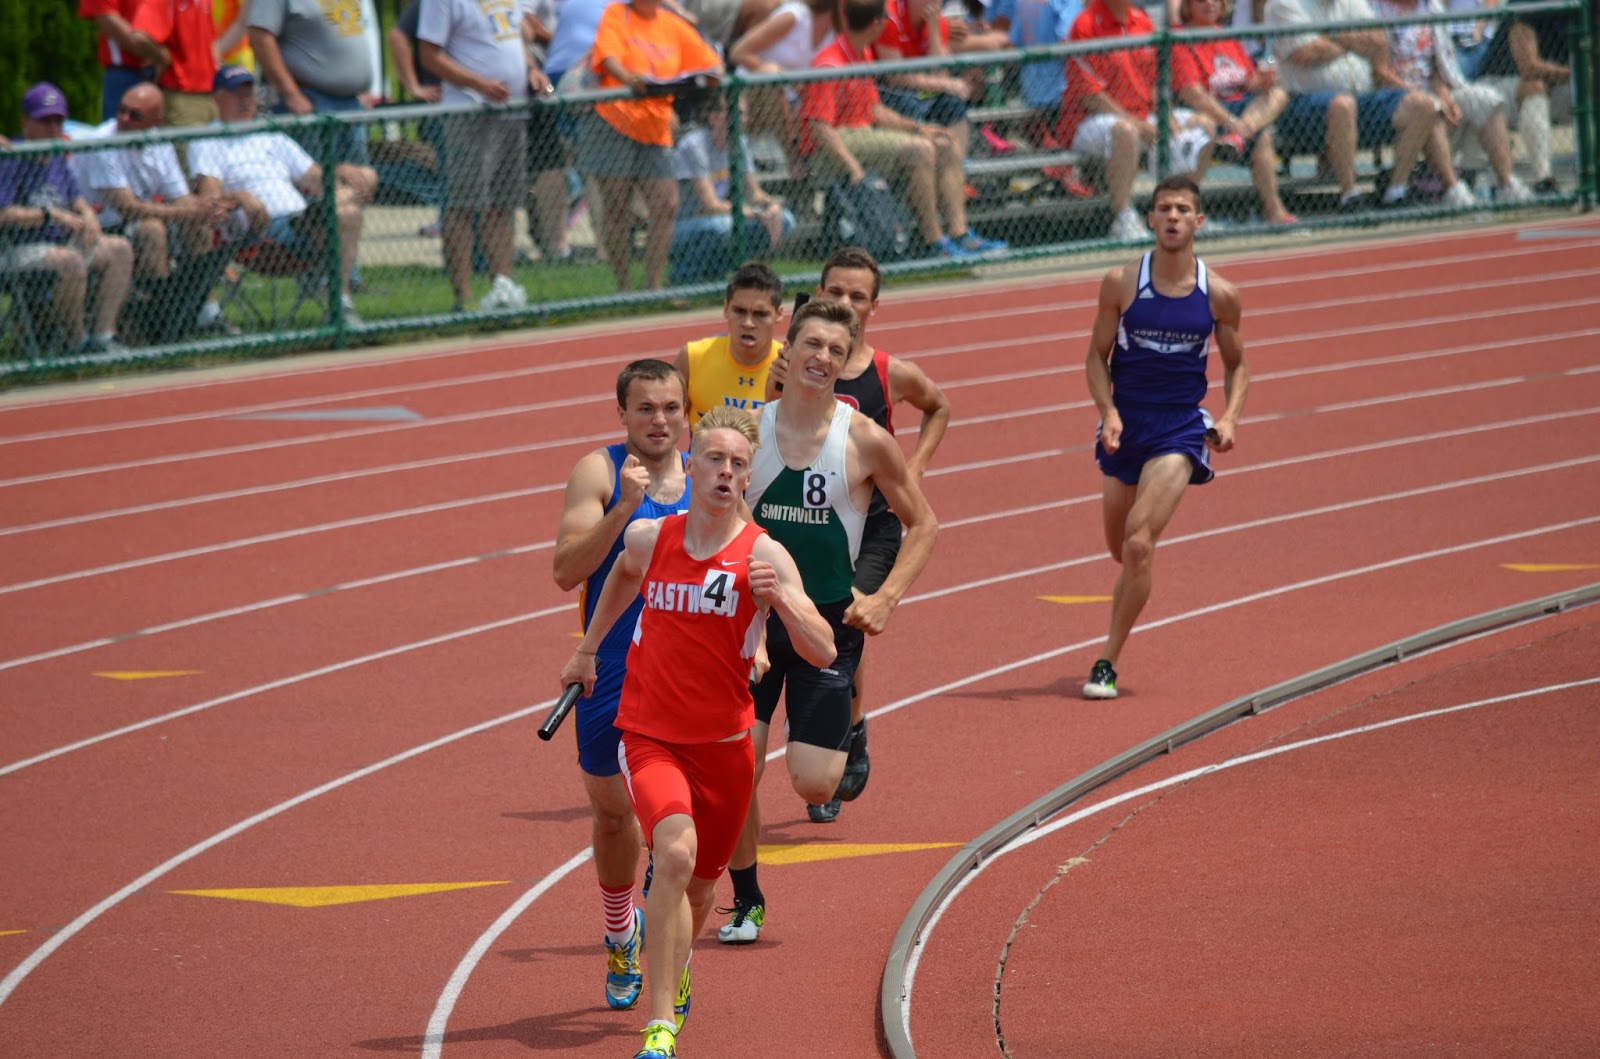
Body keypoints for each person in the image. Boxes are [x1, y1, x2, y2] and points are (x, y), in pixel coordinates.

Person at [558, 405, 834, 1059]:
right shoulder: (655, 538)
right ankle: (660, 1028)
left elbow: (823, 650)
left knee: (704, 884)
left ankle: (677, 968)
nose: (725, 471)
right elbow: (622, 574)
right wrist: (589, 649)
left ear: (748, 478)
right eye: (714, 458)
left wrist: (787, 602)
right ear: (692, 462)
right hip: (649, 731)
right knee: (673, 856)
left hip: (725, 746)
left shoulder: (763, 554)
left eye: (739, 463)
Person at [719, 298, 938, 942]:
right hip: (749, 625)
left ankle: (851, 726)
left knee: (816, 782)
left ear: (846, 364)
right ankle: (747, 897)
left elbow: (923, 523)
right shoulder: (743, 431)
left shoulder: (865, 437)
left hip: (824, 629)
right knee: (738, 768)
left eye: (836, 351)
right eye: (812, 343)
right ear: (789, 347)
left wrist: (886, 596)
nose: (822, 358)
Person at [767, 246, 951, 823]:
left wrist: (913, 468)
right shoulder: (774, 391)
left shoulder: (882, 382)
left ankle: (845, 717)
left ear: (874, 306)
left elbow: (938, 410)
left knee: (849, 617)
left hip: (867, 523)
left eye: (856, 298)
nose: (844, 303)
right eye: (835, 293)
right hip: (784, 555)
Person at [551, 358, 693, 1015]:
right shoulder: (600, 472)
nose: (659, 420)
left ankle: (672, 963)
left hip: (691, 673)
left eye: (670, 407)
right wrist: (625, 510)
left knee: (679, 827)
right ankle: (619, 932)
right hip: (611, 668)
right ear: (624, 415)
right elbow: (565, 569)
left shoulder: (711, 474)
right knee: (614, 815)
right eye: (645, 409)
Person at [1081, 174, 1247, 700]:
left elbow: (1239, 367)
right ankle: (1132, 581)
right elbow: (1095, 358)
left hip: (1179, 428)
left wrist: (1230, 418)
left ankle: (1106, 661)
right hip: (1125, 426)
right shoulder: (1122, 283)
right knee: (1118, 548)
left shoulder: (1219, 295)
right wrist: (1107, 412)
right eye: (1163, 208)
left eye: (1183, 209)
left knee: (1137, 545)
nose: (1172, 216)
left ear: (1199, 221)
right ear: (1150, 219)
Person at [798, 0, 1006, 260]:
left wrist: (920, 128)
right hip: (832, 149)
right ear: (876, 24)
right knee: (918, 151)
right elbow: (820, 127)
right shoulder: (830, 62)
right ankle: (934, 243)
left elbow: (875, 111)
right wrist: (853, 168)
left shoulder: (861, 54)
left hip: (862, 134)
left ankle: (960, 234)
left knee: (946, 143)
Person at [189, 64, 367, 324]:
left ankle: (340, 305)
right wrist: (240, 197)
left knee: (355, 193)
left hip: (301, 226)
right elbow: (209, 199)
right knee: (344, 211)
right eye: (237, 94)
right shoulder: (208, 139)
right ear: (217, 98)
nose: (245, 101)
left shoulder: (270, 133)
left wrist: (343, 171)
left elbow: (315, 177)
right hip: (260, 235)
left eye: (249, 94)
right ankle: (338, 301)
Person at [579, 0, 724, 292]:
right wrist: (631, 80)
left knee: (666, 204)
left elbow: (712, 64)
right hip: (615, 117)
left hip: (656, 123)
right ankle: (624, 288)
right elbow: (608, 58)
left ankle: (653, 285)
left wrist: (707, 77)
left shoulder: (672, 24)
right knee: (616, 205)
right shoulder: (617, 14)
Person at [418, 0, 544, 313]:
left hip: (512, 112)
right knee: (463, 205)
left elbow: (514, 38)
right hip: (469, 111)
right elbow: (429, 56)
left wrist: (531, 70)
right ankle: (464, 296)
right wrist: (479, 83)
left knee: (503, 203)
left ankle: (503, 286)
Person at [1058, 0, 1216, 242]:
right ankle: (1123, 217)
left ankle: (1183, 208)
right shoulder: (1085, 25)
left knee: (1205, 125)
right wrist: (1140, 125)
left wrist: (1167, 115)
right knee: (1125, 131)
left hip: (1143, 115)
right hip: (1090, 121)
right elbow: (1090, 96)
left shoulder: (1141, 20)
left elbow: (1154, 79)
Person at [1264, 0, 1445, 210]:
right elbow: (1307, 53)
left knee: (1421, 104)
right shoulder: (1284, 4)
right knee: (1343, 104)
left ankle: (1396, 191)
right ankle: (1350, 195)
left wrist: (1331, 35)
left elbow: (1377, 41)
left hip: (1363, 99)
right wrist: (1354, 41)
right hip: (1303, 107)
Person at [0, 83, 134, 355]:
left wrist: (87, 216)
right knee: (70, 261)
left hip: (59, 246)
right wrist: (50, 215)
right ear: (26, 122)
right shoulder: (11, 158)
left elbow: (76, 198)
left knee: (119, 249)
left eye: (58, 120)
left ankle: (103, 337)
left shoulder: (56, 156)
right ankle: (77, 344)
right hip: (16, 251)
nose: (52, 127)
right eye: (44, 120)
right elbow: (4, 215)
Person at [1372, 0, 1532, 203]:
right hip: (1395, 97)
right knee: (1428, 106)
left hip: (1436, 88)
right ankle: (1453, 189)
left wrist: (1444, 94)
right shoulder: (1375, 10)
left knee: (1486, 99)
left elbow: (1441, 62)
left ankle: (1507, 183)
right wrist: (1420, 94)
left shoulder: (1431, 8)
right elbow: (1379, 72)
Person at [74, 83, 226, 283]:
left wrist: (205, 211)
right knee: (152, 229)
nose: (124, 119)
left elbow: (180, 196)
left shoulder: (159, 142)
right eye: (121, 110)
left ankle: (197, 302)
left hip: (139, 219)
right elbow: (127, 208)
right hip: (102, 224)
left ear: (156, 121)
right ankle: (155, 303)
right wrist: (191, 211)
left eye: (135, 115)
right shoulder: (103, 142)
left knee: (199, 224)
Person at [1172, 0, 1299, 224]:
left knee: (1277, 97)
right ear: (1187, 6)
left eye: (1215, 0)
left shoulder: (1226, 36)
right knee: (1262, 132)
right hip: (1211, 113)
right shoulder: (1181, 39)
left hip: (1242, 113)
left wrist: (1261, 82)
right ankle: (1273, 209)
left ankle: (1275, 212)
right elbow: (1193, 94)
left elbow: (1246, 80)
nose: (1209, 4)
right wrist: (1230, 121)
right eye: (1201, 1)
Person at [248, 0, 380, 201]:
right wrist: (291, 93)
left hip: (351, 103)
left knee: (359, 183)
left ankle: (350, 231)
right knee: (318, 193)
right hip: (310, 103)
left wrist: (359, 87)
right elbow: (259, 36)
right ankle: (317, 233)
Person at [669, 97, 794, 285]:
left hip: (718, 218)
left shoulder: (739, 143)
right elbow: (710, 206)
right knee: (722, 226)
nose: (741, 119)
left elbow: (754, 194)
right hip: (682, 225)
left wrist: (772, 208)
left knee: (786, 220)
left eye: (743, 114)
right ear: (714, 117)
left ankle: (718, 272)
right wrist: (755, 213)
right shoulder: (694, 145)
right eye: (735, 113)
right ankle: (684, 277)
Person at [1473, 0, 1573, 195]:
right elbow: (1528, 68)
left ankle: (1591, 170)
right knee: (1534, 88)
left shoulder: (1576, 5)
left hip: (1552, 85)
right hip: (1496, 86)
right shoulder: (1524, 3)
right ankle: (1543, 179)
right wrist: (1576, 73)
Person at [674, 262, 787, 425]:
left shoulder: (788, 368)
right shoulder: (693, 358)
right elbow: (665, 426)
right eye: (739, 311)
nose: (748, 323)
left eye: (760, 314)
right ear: (726, 309)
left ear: (779, 314)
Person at [127, 0, 220, 127]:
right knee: (186, 146)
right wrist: (161, 57)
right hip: (182, 96)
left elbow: (211, 42)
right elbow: (139, 38)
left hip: (209, 94)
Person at [79, 0, 164, 121]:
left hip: (167, 73)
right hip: (125, 72)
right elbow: (105, 15)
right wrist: (155, 54)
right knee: (122, 133)